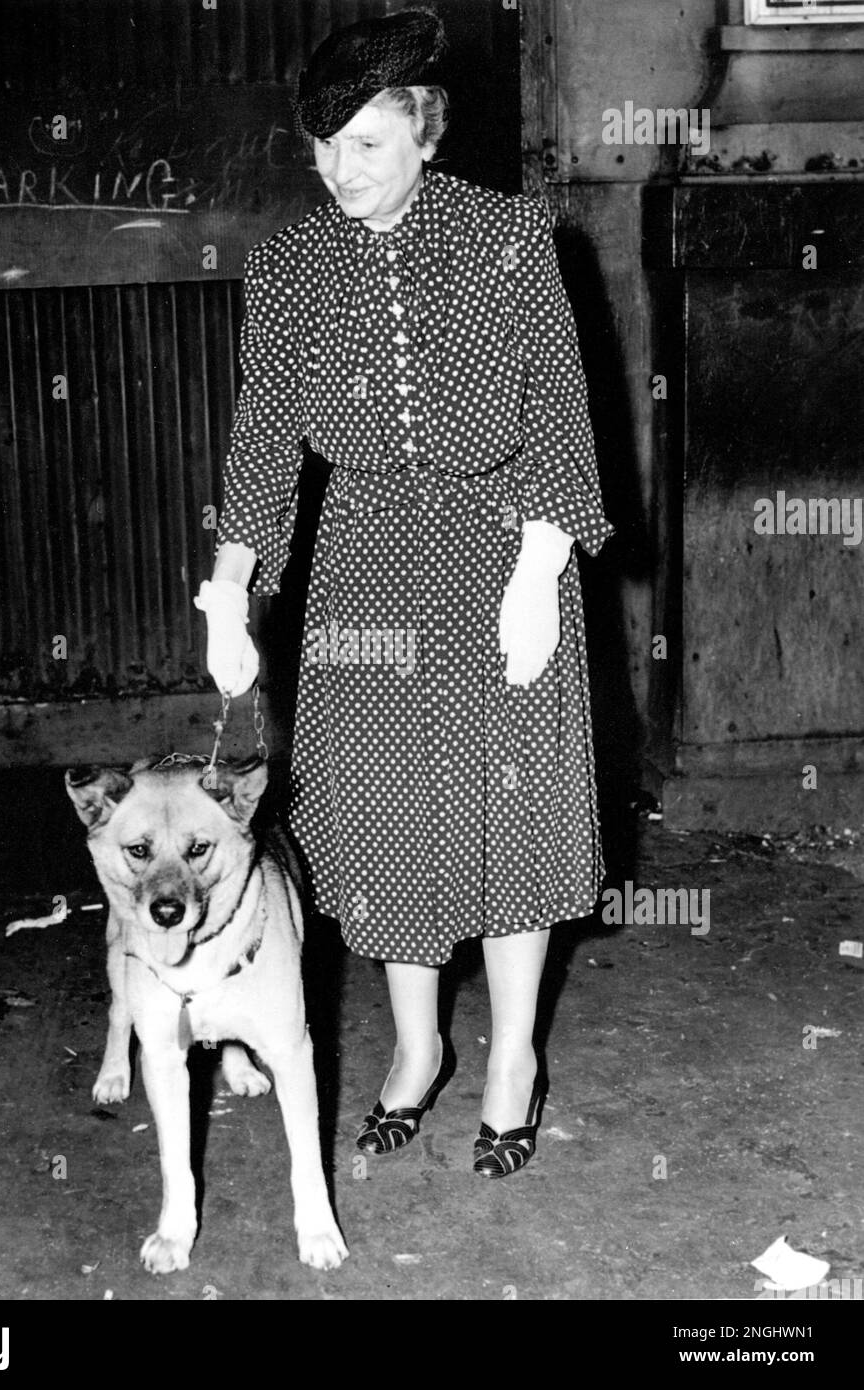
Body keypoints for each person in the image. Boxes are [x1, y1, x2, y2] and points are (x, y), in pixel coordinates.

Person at [195, 8, 613, 1178]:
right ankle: (418, 1045)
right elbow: (266, 435)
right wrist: (231, 591)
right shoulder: (288, 266)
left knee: (507, 813)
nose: (338, 170)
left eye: (365, 144)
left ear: (425, 132)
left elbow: (557, 409)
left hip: (501, 549)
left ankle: (516, 1059)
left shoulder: (510, 238)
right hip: (366, 560)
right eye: (322, 146)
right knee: (382, 812)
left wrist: (538, 572)